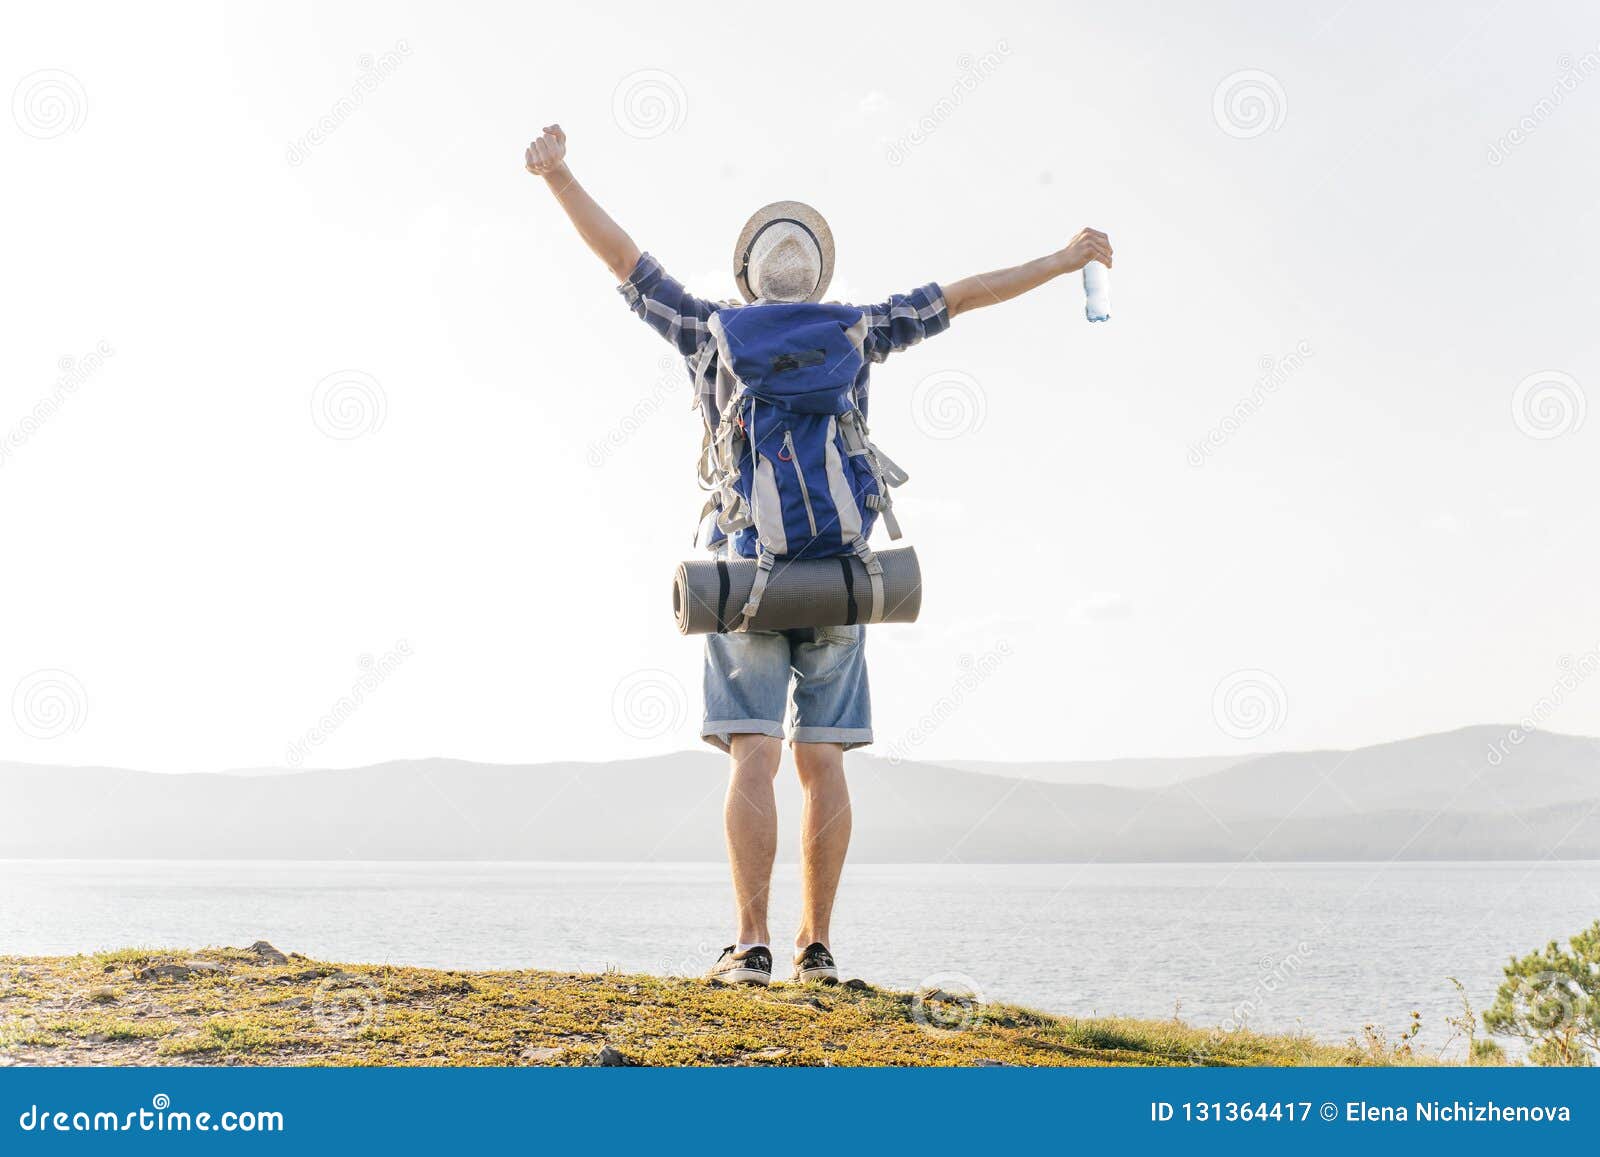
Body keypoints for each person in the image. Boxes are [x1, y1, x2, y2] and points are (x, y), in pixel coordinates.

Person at [526, 122, 1112, 986]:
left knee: (754, 755)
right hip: (842, 578)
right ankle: (818, 950)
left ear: (749, 273)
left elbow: (624, 261)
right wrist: (1063, 261)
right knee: (822, 760)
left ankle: (751, 945)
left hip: (746, 575)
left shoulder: (710, 330)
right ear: (817, 276)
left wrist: (558, 176)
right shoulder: (858, 329)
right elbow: (967, 294)